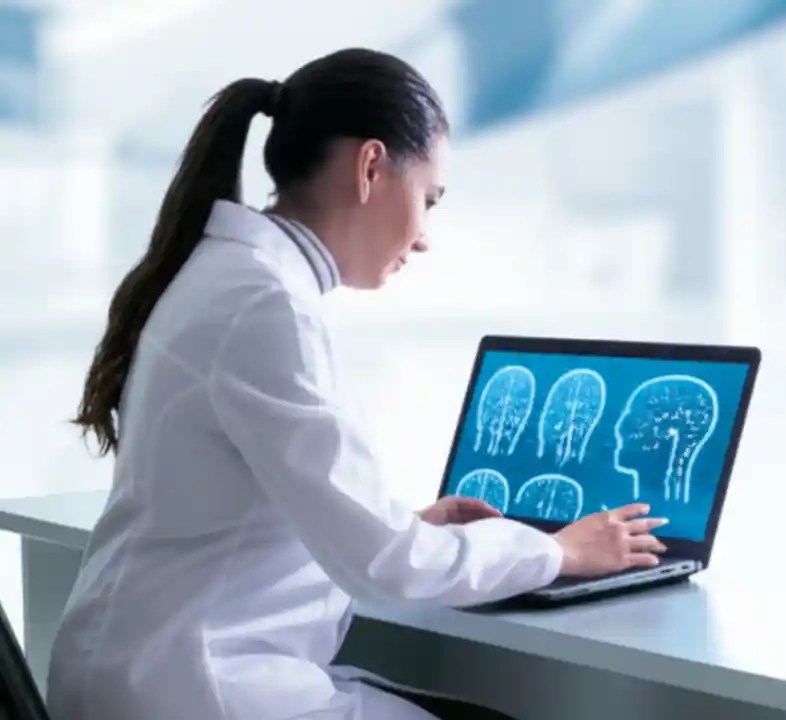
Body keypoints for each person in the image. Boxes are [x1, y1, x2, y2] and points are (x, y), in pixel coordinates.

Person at [47, 48, 668, 720]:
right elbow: (389, 566)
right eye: (428, 199)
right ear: (371, 167)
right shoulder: (267, 304)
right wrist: (555, 551)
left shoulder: (230, 276)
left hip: (140, 671)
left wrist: (399, 524)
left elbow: (259, 509)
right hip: (195, 691)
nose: (425, 236)